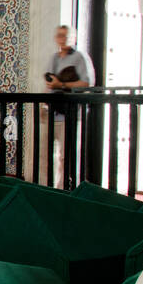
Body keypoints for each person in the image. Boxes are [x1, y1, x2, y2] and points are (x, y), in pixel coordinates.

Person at [40, 26, 95, 188]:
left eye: (66, 36)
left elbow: (87, 83)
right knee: (45, 154)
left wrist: (62, 84)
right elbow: (49, 84)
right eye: (59, 35)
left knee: (67, 156)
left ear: (73, 37)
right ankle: (46, 187)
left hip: (69, 113)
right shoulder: (54, 58)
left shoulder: (80, 58)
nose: (62, 39)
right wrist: (44, 104)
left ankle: (66, 189)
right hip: (53, 112)